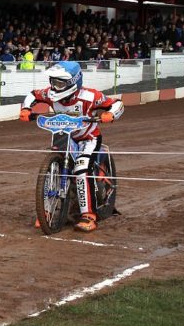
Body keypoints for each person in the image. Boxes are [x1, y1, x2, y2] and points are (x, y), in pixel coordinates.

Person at [19, 61, 124, 232]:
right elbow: (33, 95)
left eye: (59, 83)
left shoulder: (90, 96)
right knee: (53, 169)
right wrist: (26, 108)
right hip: (63, 136)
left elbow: (117, 104)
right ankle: (46, 211)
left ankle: (89, 215)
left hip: (88, 138)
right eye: (53, 81)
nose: (54, 86)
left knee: (81, 170)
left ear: (73, 82)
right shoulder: (49, 93)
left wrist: (110, 114)